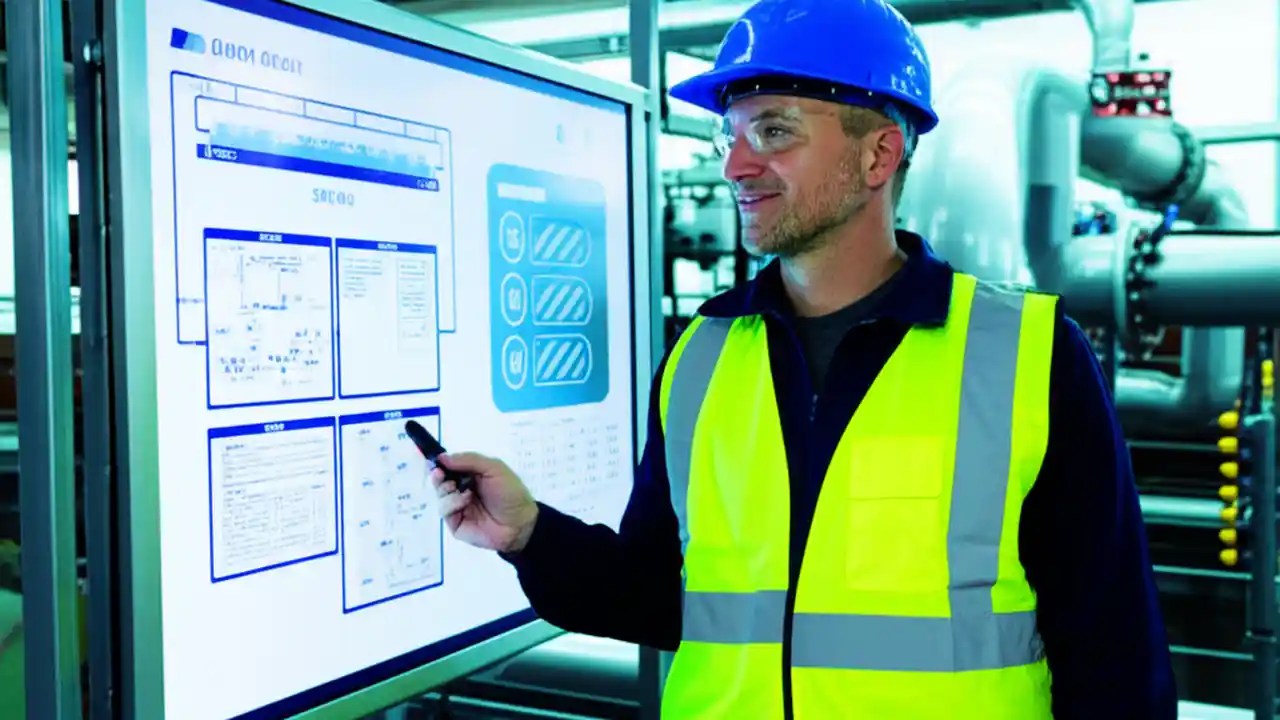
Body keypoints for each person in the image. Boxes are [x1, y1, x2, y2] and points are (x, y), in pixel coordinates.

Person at [431, 0, 1177, 717]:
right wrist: (529, 534)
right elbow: (662, 597)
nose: (736, 166)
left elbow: (1115, 655)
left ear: (879, 153)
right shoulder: (701, 358)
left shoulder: (1029, 357)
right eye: (732, 136)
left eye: (775, 132)